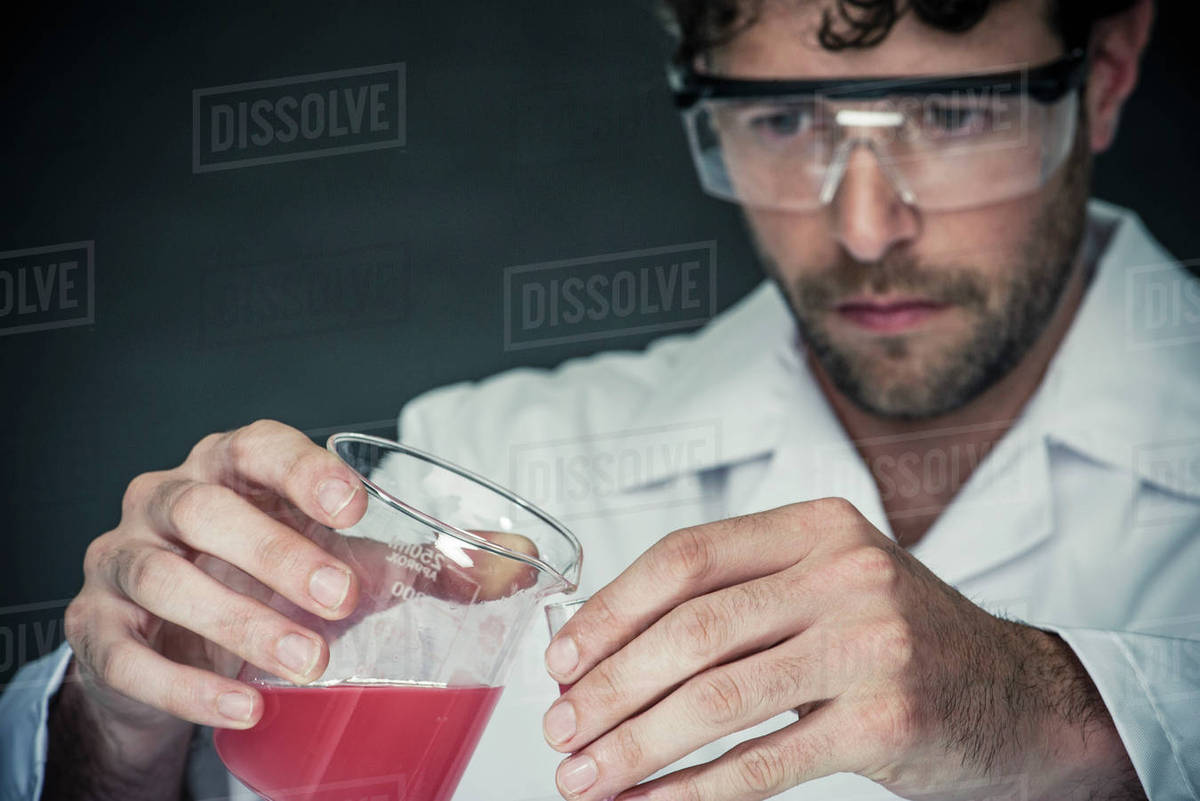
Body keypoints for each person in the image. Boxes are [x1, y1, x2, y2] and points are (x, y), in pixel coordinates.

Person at [2, 0, 1196, 799]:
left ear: (1104, 76)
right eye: (783, 120)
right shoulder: (487, 463)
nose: (865, 224)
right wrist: (121, 730)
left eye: (949, 113)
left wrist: (1056, 709)